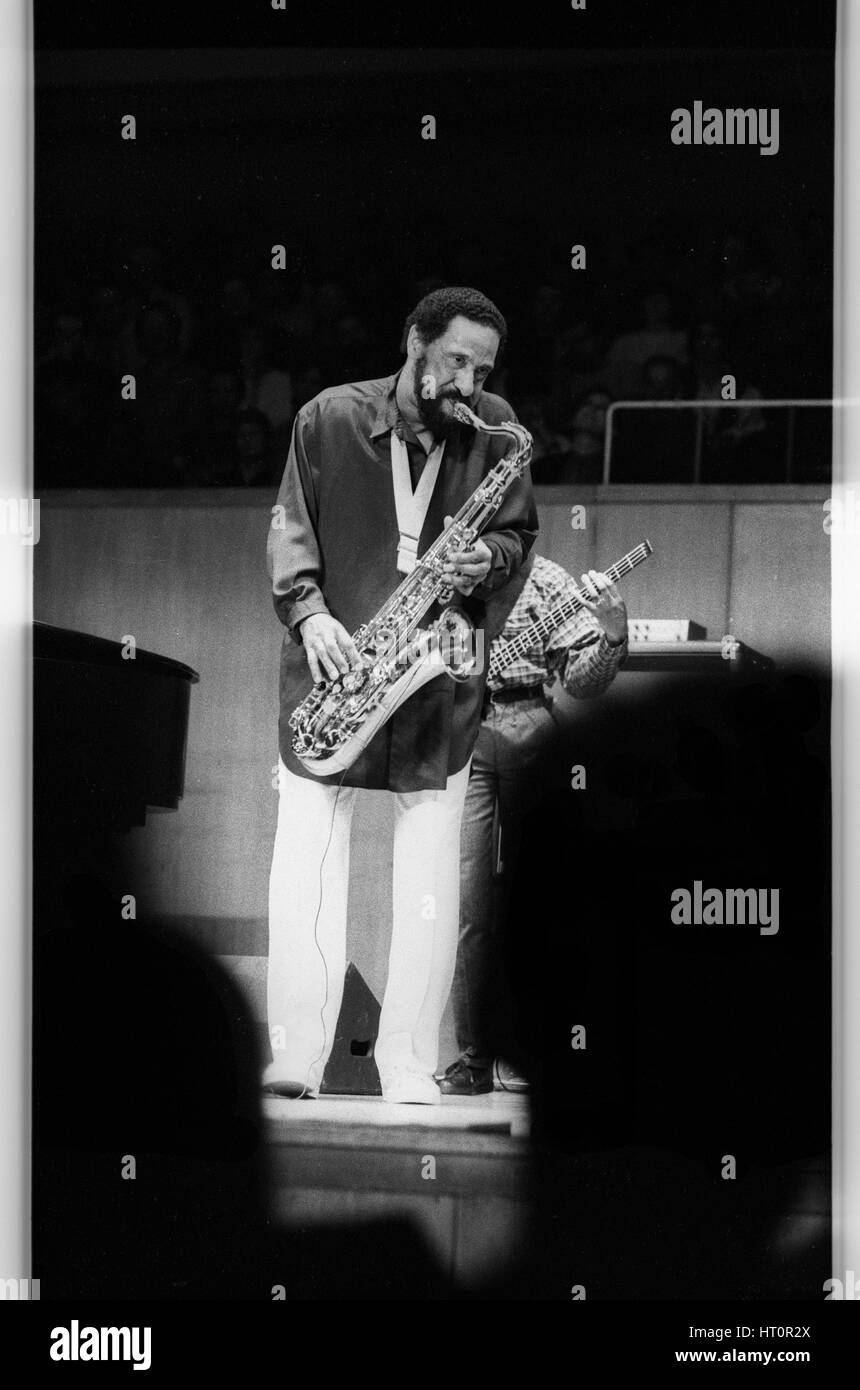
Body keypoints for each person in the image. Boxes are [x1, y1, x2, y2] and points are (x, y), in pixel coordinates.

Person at [264, 287, 538, 1105]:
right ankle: (297, 1054)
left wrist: (488, 559)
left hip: (436, 677)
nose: (469, 384)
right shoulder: (327, 418)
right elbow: (289, 526)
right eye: (456, 361)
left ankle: (410, 1063)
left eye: (483, 369)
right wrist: (310, 613)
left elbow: (518, 535)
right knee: (306, 862)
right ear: (415, 341)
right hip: (336, 671)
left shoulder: (495, 428)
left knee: (429, 876)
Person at [438, 552, 628, 1096]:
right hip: (465, 731)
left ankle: (537, 1051)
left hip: (530, 723)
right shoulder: (446, 576)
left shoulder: (542, 578)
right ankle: (474, 1056)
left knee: (539, 895)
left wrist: (612, 637)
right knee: (469, 902)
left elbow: (581, 682)